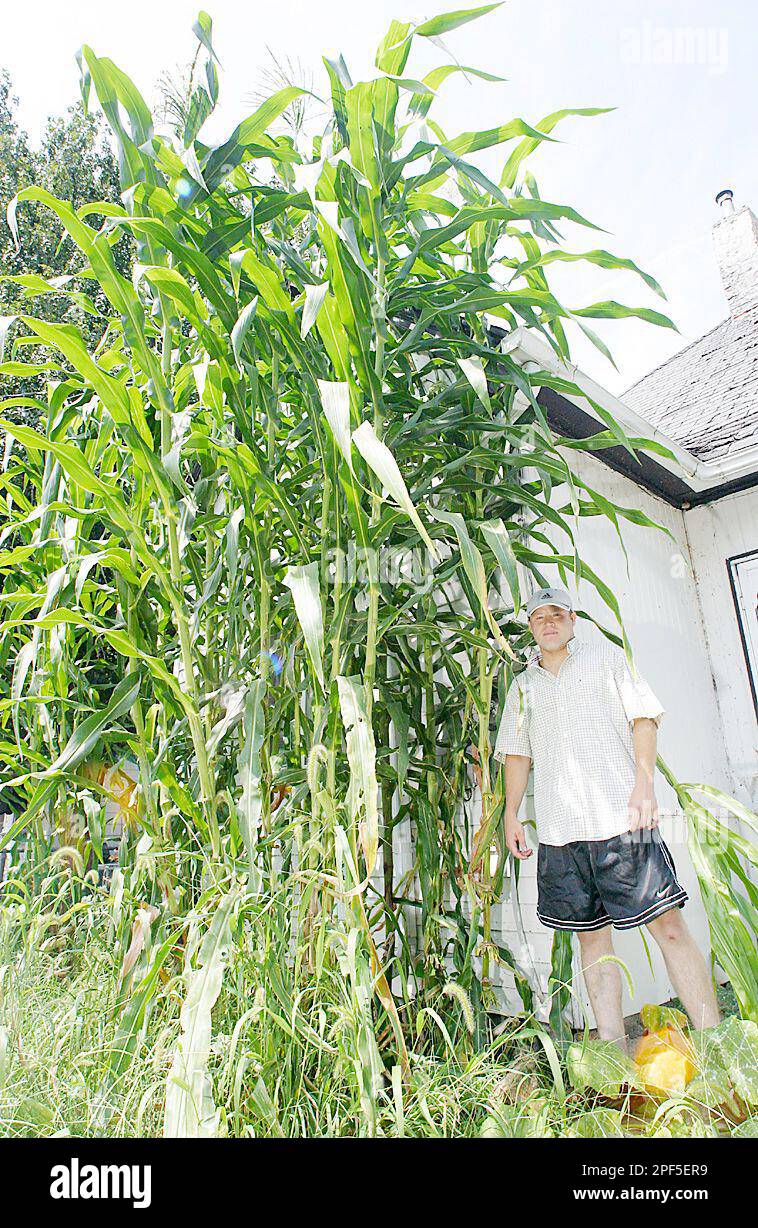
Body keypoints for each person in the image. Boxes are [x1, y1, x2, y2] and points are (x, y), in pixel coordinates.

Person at [485, 586, 720, 1045]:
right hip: (560, 834)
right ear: (531, 629)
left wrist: (645, 785)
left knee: (668, 926)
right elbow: (517, 755)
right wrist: (512, 815)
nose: (549, 622)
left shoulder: (607, 659)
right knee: (591, 942)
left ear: (573, 621)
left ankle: (715, 1042)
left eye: (558, 614)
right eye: (539, 617)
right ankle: (613, 1054)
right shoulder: (523, 686)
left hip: (622, 822)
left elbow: (644, 718)